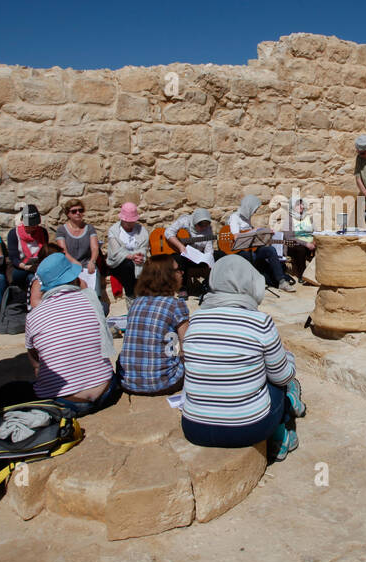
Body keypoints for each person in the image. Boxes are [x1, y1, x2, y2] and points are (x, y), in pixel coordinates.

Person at [180, 254, 302, 461]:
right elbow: (282, 377)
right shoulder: (260, 322)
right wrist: (288, 357)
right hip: (248, 428)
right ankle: (281, 436)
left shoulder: (196, 320)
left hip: (194, 427)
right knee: (278, 381)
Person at [24, 253, 121, 418]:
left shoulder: (34, 316)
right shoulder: (91, 302)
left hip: (67, 403)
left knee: (14, 390)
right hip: (106, 392)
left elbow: (35, 358)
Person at [116, 256, 189, 395]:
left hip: (128, 382)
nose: (182, 273)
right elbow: (188, 346)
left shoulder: (137, 303)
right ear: (167, 276)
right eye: (178, 270)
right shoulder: (176, 305)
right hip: (163, 382)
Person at [223, 194, 295, 292]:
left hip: (250, 247)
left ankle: (281, 281)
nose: (255, 211)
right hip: (238, 250)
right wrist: (252, 231)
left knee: (270, 250)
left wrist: (264, 234)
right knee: (253, 256)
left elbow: (251, 235)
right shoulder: (235, 217)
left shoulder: (247, 217)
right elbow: (236, 236)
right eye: (254, 208)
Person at [164, 207, 217, 299]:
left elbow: (209, 248)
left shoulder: (208, 229)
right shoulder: (185, 221)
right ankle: (182, 288)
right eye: (200, 225)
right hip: (182, 254)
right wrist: (180, 246)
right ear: (195, 222)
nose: (203, 228)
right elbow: (168, 232)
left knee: (219, 255)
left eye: (205, 226)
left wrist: (209, 259)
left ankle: (208, 286)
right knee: (179, 258)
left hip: (197, 256)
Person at [55, 198, 103, 299]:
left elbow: (95, 248)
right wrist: (74, 262)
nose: (78, 213)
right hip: (69, 264)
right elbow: (63, 251)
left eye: (80, 210)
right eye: (74, 211)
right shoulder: (61, 230)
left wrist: (92, 261)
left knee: (95, 273)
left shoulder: (89, 228)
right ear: (68, 214)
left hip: (86, 263)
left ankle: (97, 301)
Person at [105, 202, 149, 301]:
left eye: (132, 221)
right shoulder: (114, 231)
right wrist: (132, 257)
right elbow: (116, 251)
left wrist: (140, 256)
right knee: (128, 265)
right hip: (119, 262)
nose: (130, 224)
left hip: (138, 260)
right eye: (127, 222)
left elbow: (143, 247)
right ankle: (131, 295)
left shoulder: (141, 231)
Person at [7, 203, 49, 299]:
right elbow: (14, 258)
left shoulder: (42, 232)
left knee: (34, 277)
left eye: (35, 224)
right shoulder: (14, 234)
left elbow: (45, 252)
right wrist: (27, 267)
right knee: (32, 277)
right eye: (30, 224)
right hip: (20, 266)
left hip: (38, 265)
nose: (33, 227)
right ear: (22, 221)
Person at [287, 197, 315, 280]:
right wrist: (306, 244)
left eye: (302, 204)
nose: (301, 206)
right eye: (298, 205)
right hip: (295, 244)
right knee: (300, 249)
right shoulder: (289, 219)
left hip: (311, 244)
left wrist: (315, 240)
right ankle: (302, 275)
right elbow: (289, 237)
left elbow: (315, 231)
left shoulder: (307, 217)